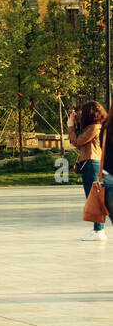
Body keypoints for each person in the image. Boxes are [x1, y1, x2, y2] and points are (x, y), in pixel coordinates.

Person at [68, 101, 106, 241]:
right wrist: (75, 125)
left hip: (91, 163)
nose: (81, 115)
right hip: (92, 163)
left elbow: (77, 141)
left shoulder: (94, 128)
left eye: (83, 112)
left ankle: (98, 231)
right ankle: (98, 230)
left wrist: (71, 127)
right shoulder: (95, 127)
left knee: (94, 198)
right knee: (94, 197)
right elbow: (81, 145)